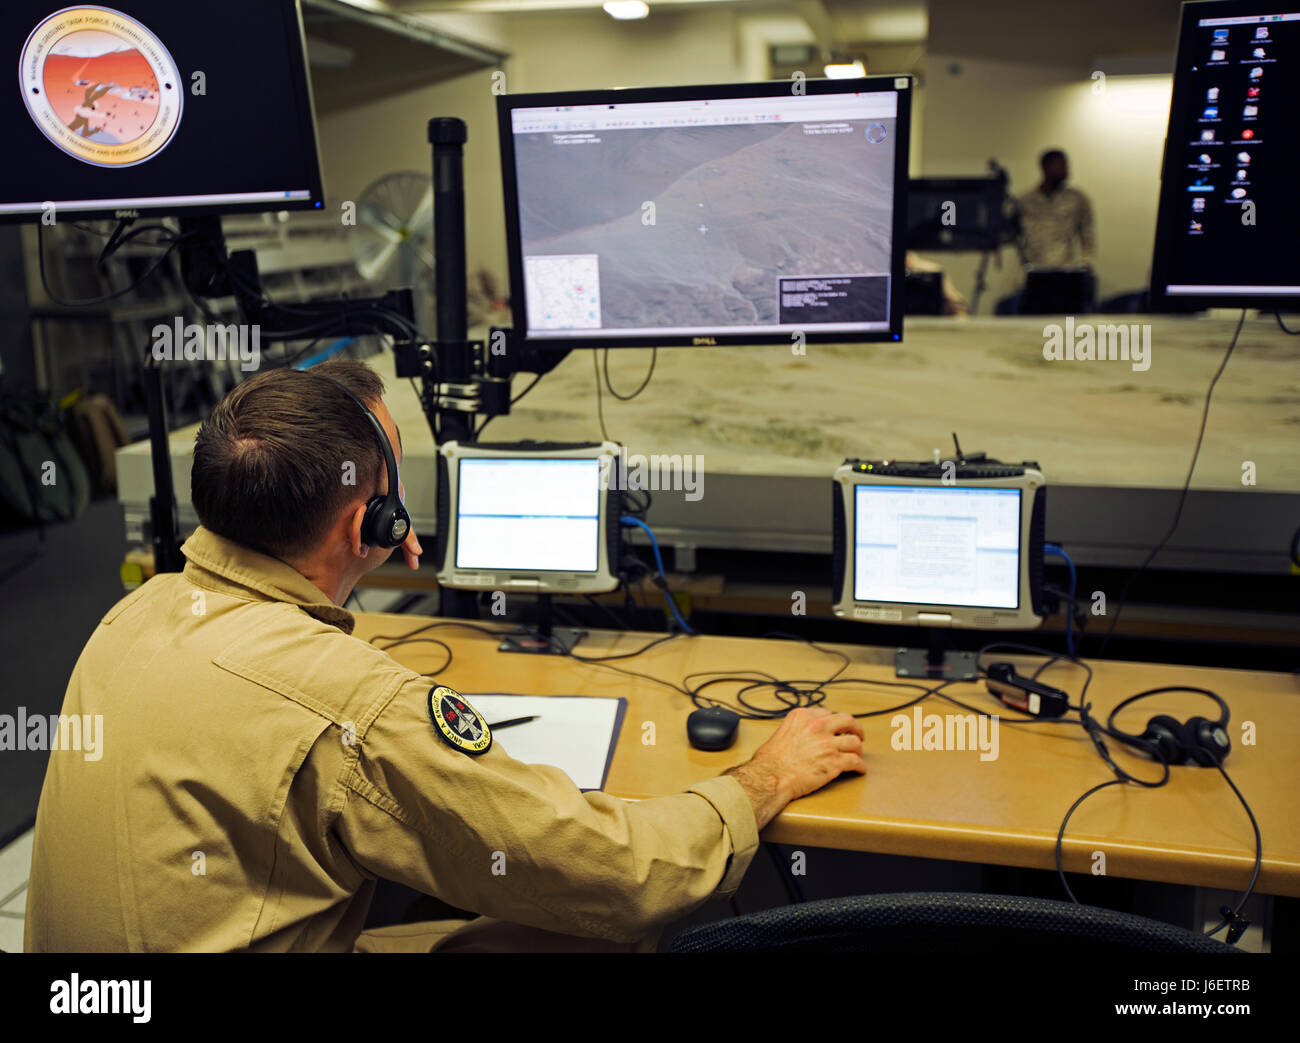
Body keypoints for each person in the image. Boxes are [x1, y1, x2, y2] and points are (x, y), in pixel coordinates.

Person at [25, 358, 866, 953]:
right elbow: (618, 871)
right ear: (372, 528)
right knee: (605, 927)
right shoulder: (353, 701)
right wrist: (765, 778)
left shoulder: (130, 615)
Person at [1016, 149, 1096, 269]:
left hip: (1065, 269)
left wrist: (1086, 264)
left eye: (1066, 166)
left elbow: (1088, 235)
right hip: (1033, 270)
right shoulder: (1025, 201)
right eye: (1060, 166)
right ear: (1045, 168)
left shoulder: (1077, 199)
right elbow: (1013, 235)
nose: (1066, 171)